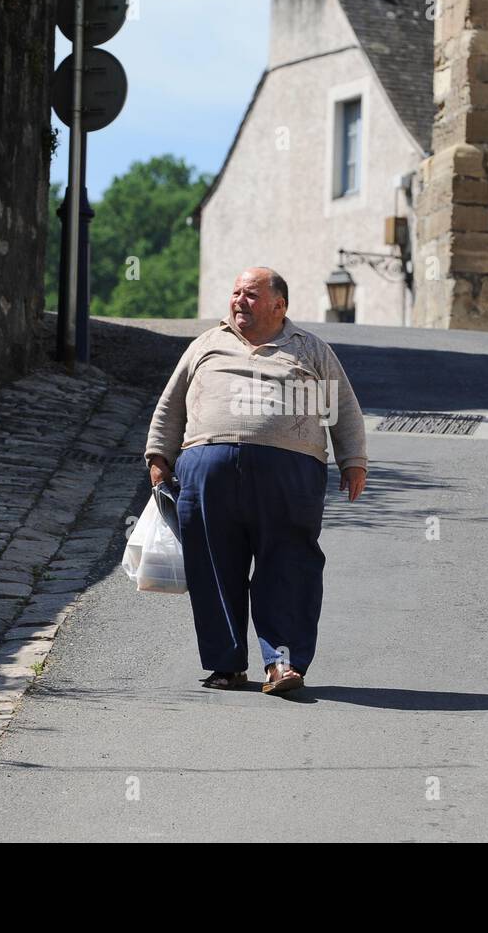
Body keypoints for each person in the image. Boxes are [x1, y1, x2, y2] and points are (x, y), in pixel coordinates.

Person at [145, 266, 367, 694]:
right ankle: (226, 664)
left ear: (279, 305)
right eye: (236, 293)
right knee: (213, 566)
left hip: (291, 474)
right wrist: (158, 455)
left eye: (250, 294)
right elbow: (171, 404)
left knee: (288, 564)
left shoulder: (310, 349)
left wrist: (353, 459)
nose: (238, 301)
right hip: (205, 471)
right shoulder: (207, 345)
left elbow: (343, 406)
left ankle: (282, 664)